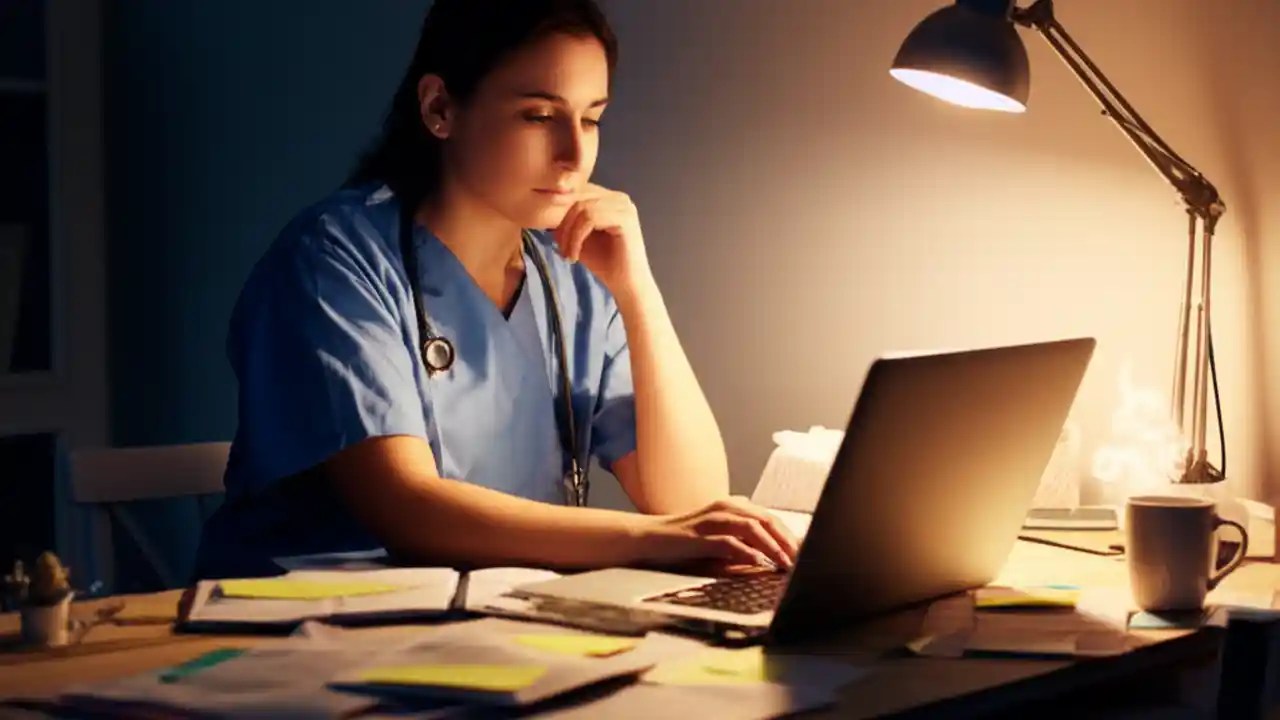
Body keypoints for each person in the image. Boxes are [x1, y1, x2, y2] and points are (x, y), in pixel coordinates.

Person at [194, 0, 797, 580]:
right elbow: (407, 509)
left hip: (496, 626)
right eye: (539, 115)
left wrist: (638, 290)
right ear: (439, 108)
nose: (573, 155)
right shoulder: (335, 258)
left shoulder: (574, 280)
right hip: (305, 638)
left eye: (591, 119)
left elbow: (692, 499)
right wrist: (648, 541)